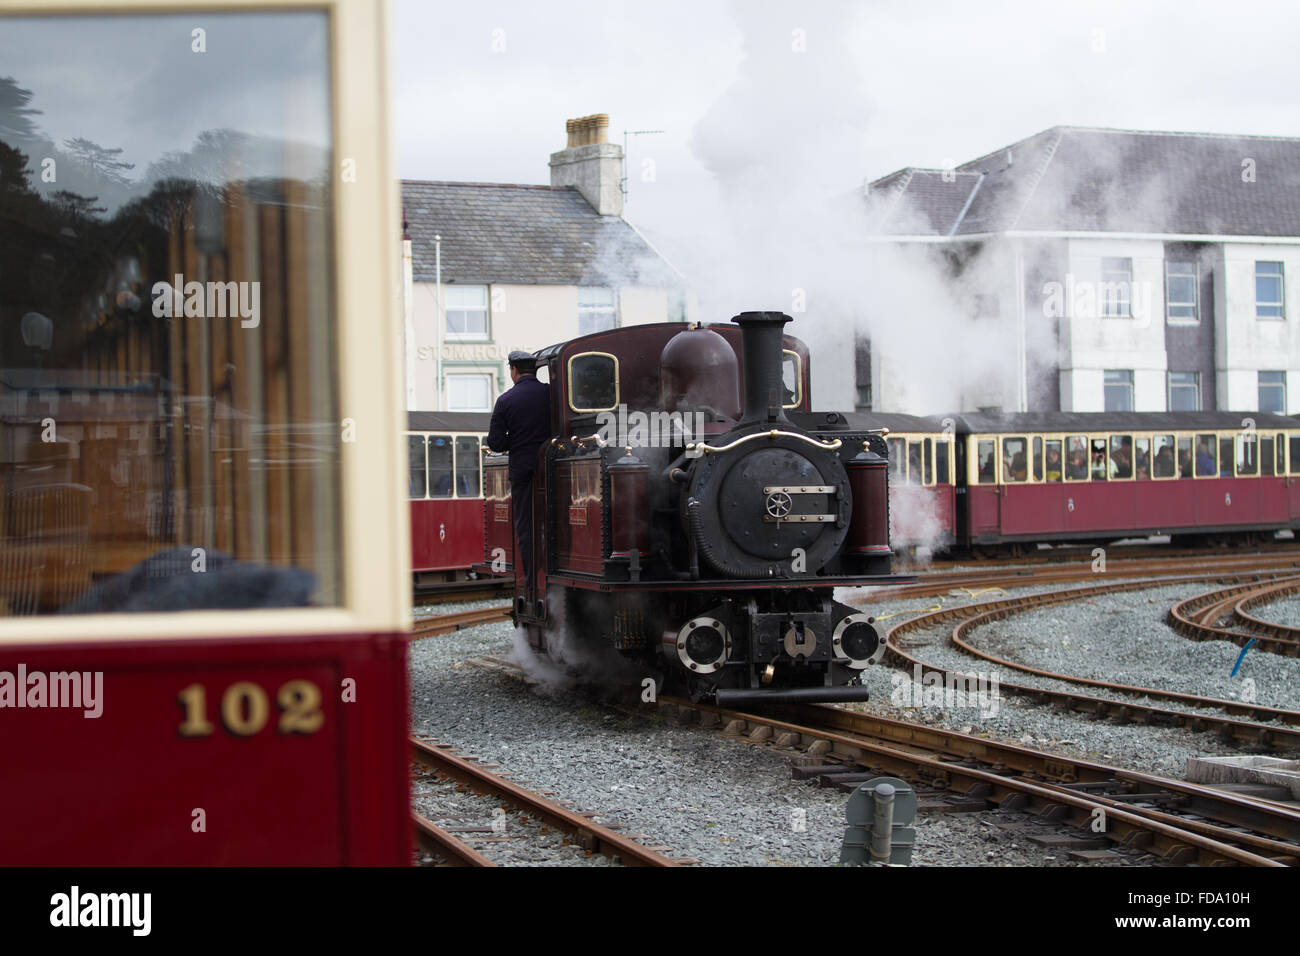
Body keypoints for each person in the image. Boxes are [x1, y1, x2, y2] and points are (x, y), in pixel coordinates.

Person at [487, 351, 551, 588]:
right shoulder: (549, 394)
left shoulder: (506, 400)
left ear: (513, 370)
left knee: (526, 526)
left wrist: (514, 441)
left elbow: (495, 442)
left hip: (523, 471)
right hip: (552, 471)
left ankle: (533, 579)